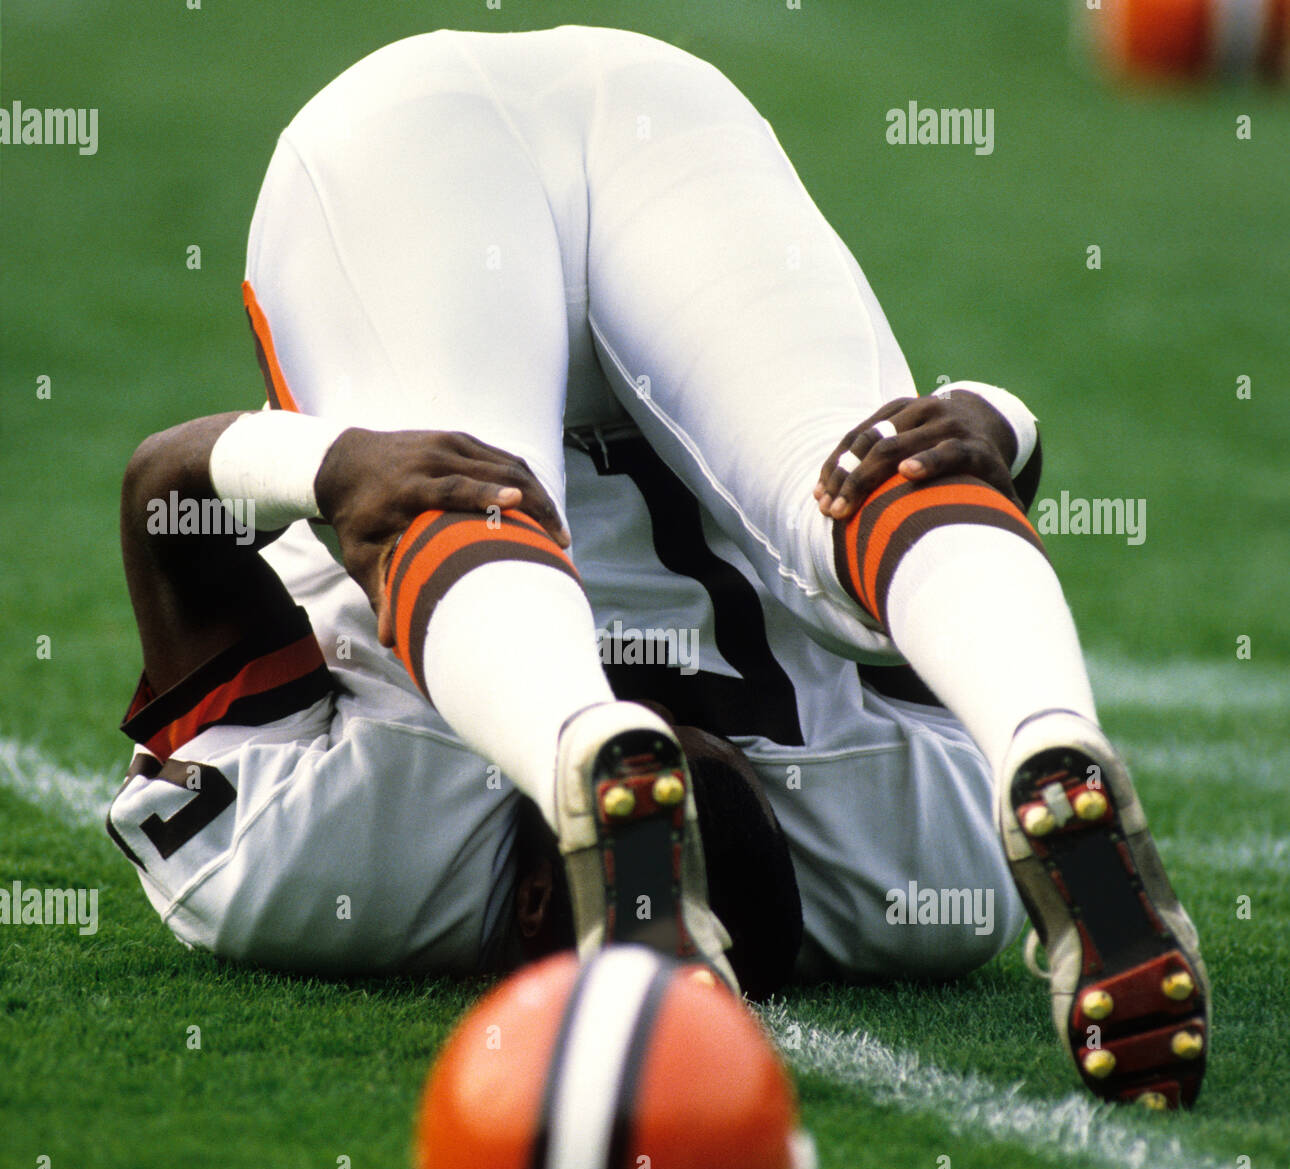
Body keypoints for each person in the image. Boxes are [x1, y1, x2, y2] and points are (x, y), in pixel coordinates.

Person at [108, 26, 1208, 1104]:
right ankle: (577, 711)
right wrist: (992, 427)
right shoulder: (342, 866)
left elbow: (160, 494)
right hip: (621, 128)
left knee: (848, 491)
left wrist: (337, 463)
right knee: (515, 504)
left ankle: (1039, 726)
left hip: (480, 132)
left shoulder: (921, 874)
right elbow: (166, 503)